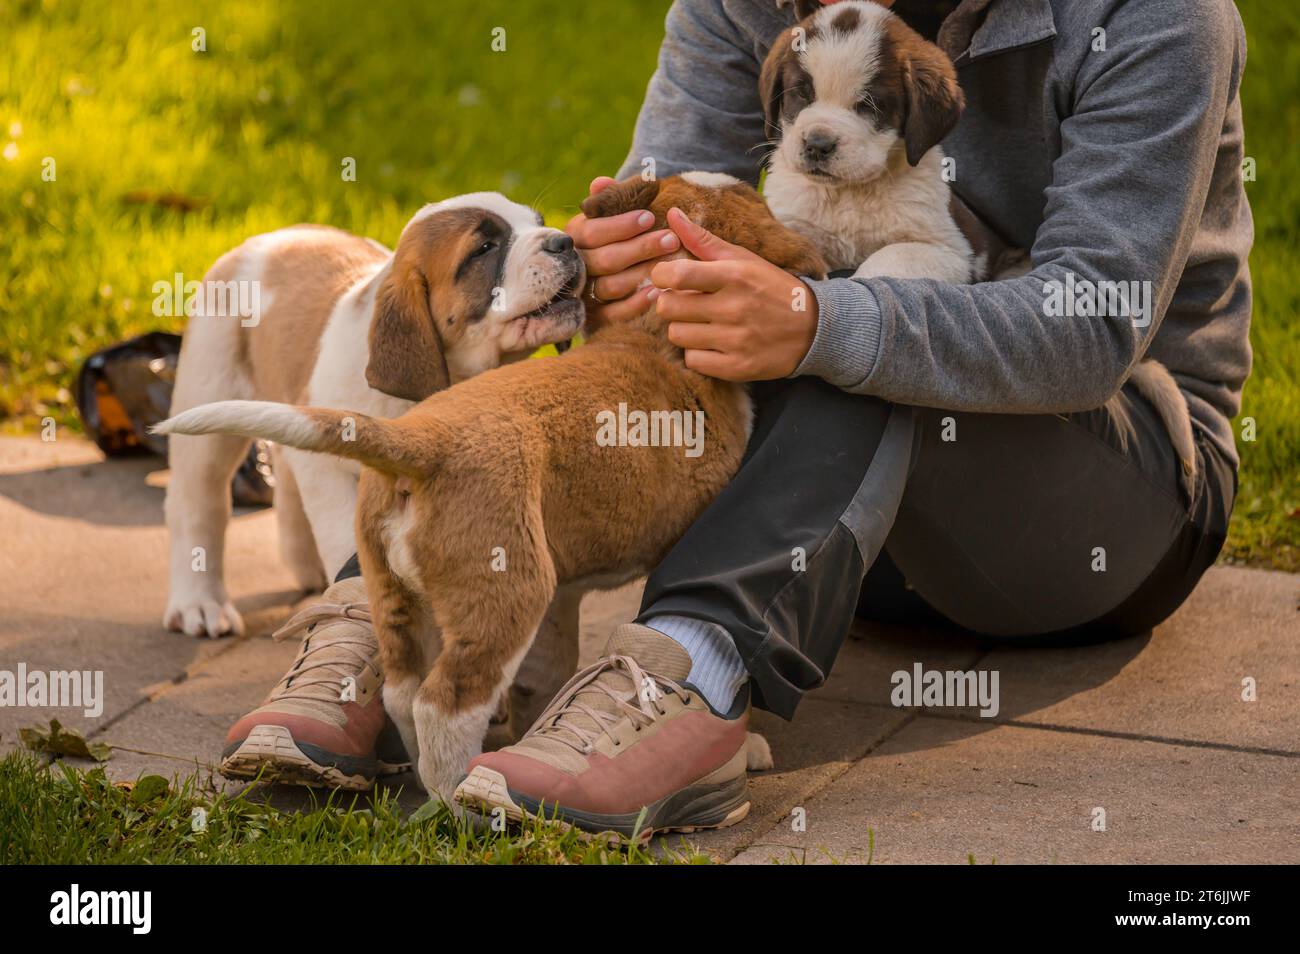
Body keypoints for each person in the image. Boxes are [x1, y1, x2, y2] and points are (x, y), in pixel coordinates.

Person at [223, 0, 1252, 835]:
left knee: (848, 321)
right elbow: (659, 224)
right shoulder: (745, 7)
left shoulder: (1154, 16)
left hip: (1106, 505)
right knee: (707, 322)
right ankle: (394, 609)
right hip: (842, 545)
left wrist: (815, 319)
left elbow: (1087, 331)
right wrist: (624, 261)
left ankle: (691, 673)